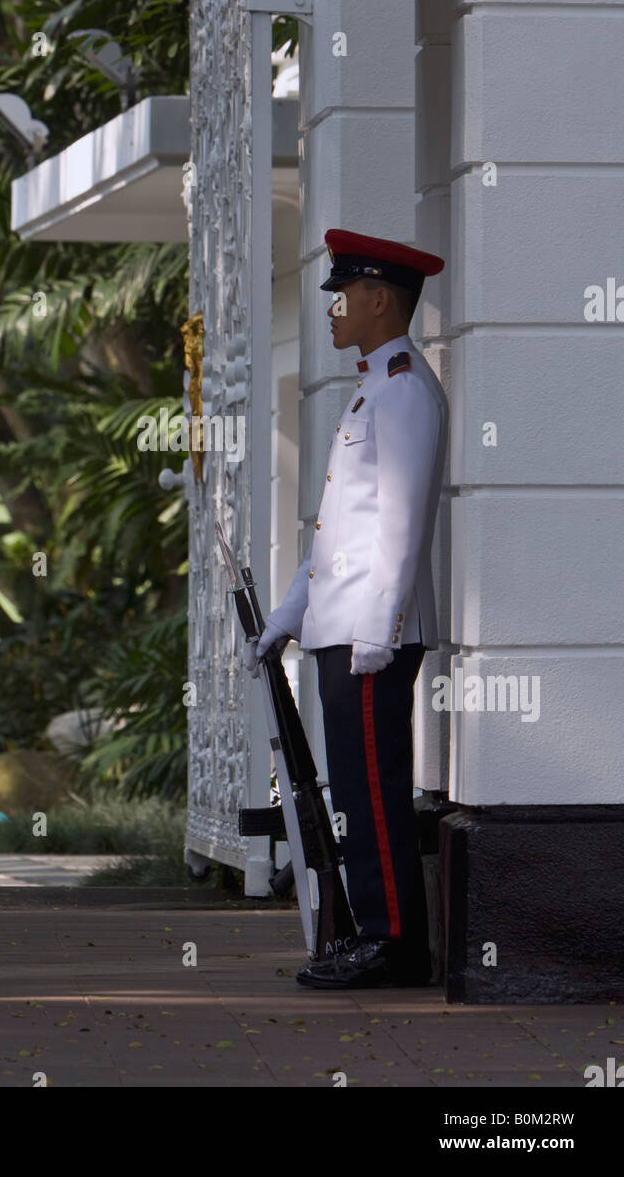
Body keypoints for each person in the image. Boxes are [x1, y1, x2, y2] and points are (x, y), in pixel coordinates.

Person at [246, 227, 448, 989]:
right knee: (354, 792)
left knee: (373, 792)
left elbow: (399, 523)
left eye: (342, 294)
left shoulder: (402, 391)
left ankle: (393, 943)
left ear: (379, 299)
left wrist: (380, 629)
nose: (331, 307)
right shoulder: (372, 387)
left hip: (370, 631)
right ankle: (373, 933)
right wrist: (291, 612)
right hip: (343, 627)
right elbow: (338, 531)